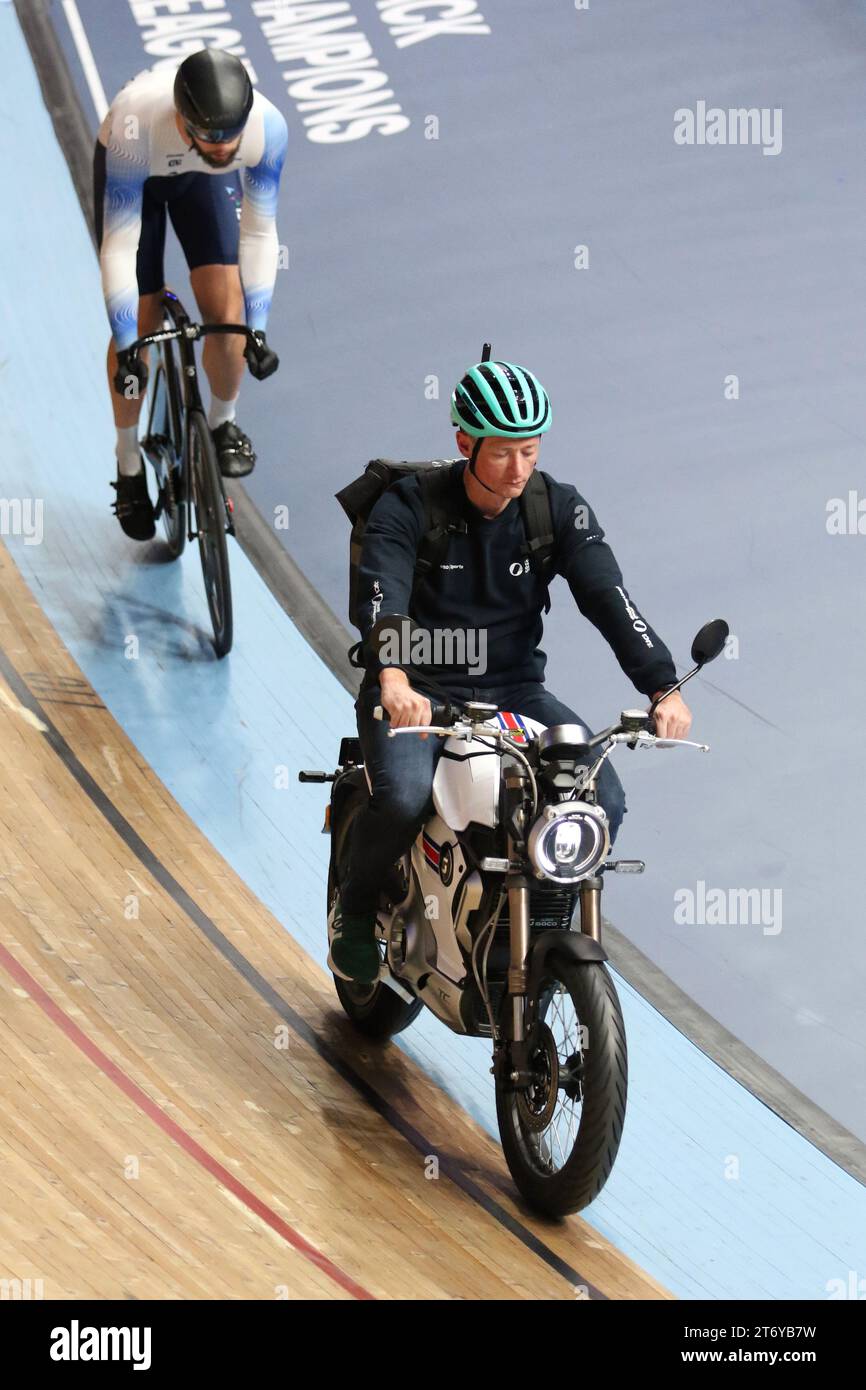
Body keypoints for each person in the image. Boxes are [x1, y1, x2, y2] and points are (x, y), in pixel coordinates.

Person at [329, 357, 692, 983]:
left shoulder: (557, 510)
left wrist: (662, 685)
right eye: (502, 453)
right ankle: (354, 913)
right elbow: (381, 594)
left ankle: (537, 919)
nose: (519, 469)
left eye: (530, 450)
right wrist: (392, 680)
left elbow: (611, 600)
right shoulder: (408, 508)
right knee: (405, 797)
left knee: (600, 798)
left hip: (515, 690)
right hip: (419, 690)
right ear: (464, 442)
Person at [94, 48, 288, 539]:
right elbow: (119, 249)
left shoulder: (267, 127)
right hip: (137, 180)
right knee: (142, 319)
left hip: (195, 182)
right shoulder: (134, 128)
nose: (223, 147)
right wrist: (126, 347)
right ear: (182, 122)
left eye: (231, 135)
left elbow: (261, 234)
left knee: (229, 315)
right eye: (209, 136)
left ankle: (223, 422)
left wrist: (257, 332)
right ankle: (127, 458)